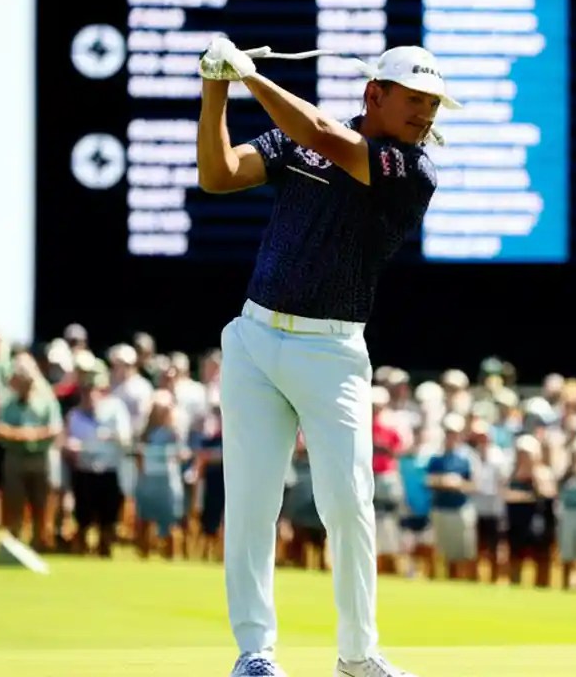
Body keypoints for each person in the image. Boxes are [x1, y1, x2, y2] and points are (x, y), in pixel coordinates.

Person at [196, 37, 457, 677]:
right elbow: (218, 174)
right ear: (375, 94)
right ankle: (254, 654)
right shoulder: (297, 141)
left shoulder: (410, 169)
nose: (426, 115)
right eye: (415, 101)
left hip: (332, 350)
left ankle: (357, 655)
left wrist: (250, 76)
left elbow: (321, 132)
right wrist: (215, 89)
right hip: (255, 340)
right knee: (253, 504)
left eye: (433, 104)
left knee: (347, 505)